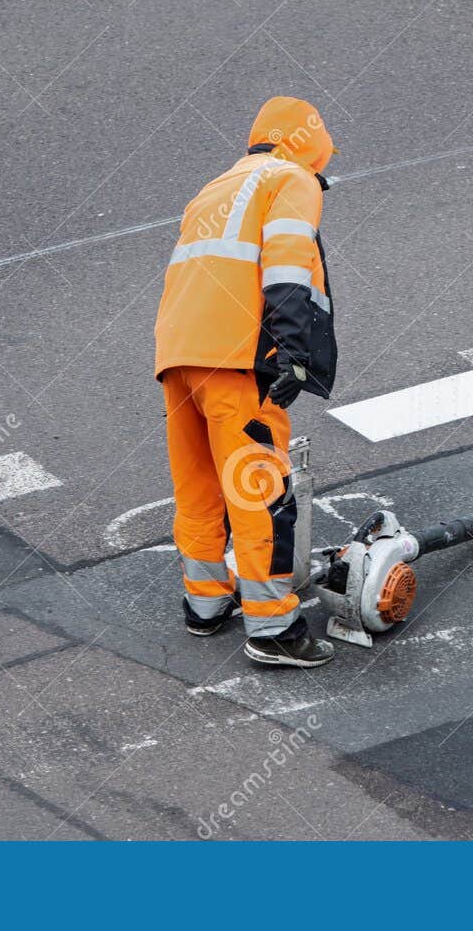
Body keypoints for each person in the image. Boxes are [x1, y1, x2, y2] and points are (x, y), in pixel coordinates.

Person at [153, 96, 340, 668]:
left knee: (199, 483)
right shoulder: (291, 178)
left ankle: (206, 602)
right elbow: (285, 259)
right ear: (305, 144)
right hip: (237, 356)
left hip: (179, 353)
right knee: (260, 491)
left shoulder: (215, 187)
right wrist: (289, 347)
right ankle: (273, 627)